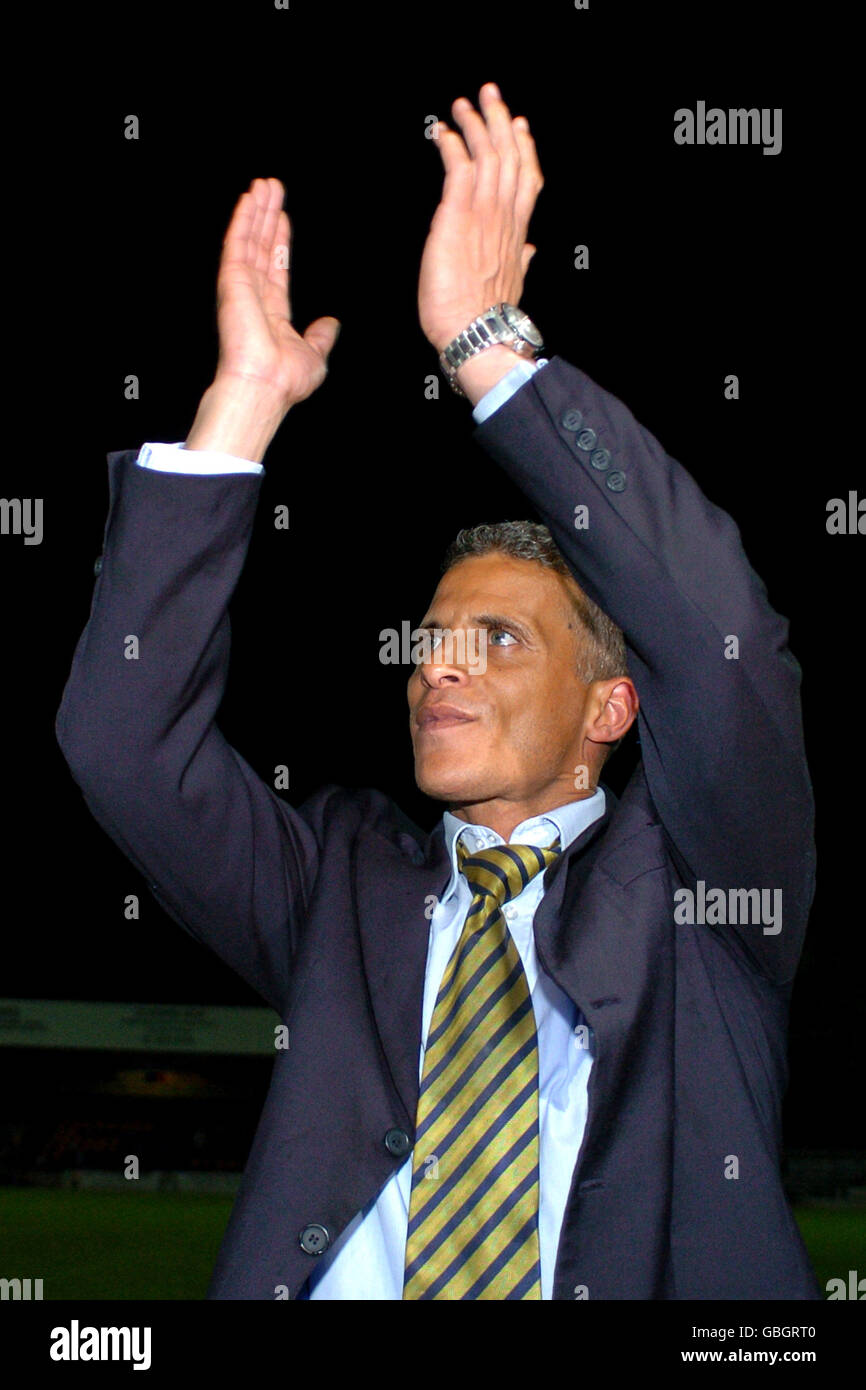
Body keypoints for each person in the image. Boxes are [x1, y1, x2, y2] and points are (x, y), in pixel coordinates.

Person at [56, 82, 819, 1300]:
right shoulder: (340, 888)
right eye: (430, 636)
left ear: (608, 710)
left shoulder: (709, 896)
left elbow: (722, 642)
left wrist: (486, 348)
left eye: (501, 640)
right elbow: (121, 742)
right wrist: (239, 407)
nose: (437, 662)